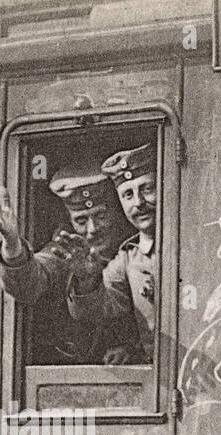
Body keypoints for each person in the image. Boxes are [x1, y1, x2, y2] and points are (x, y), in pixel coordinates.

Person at [0, 162, 130, 363]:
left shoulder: (136, 247)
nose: (92, 229)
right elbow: (31, 281)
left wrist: (133, 350)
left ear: (116, 212)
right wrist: (12, 243)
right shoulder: (66, 250)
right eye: (81, 220)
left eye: (100, 216)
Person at [70, 143, 159, 365]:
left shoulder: (193, 245)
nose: (138, 203)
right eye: (128, 195)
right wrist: (87, 281)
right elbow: (102, 308)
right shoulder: (128, 258)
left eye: (147, 189)